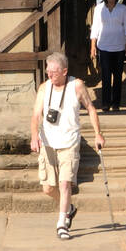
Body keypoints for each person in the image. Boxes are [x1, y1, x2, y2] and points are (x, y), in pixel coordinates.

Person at [31, 51, 103, 241]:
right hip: (48, 143)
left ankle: (62, 223)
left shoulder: (76, 85)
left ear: (64, 71)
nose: (50, 75)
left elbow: (90, 107)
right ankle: (69, 208)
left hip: (69, 142)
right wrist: (33, 136)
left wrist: (97, 134)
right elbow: (36, 115)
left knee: (64, 184)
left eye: (54, 72)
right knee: (47, 188)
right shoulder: (44, 88)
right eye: (48, 72)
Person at [90, 0, 126, 112]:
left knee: (118, 77)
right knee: (106, 76)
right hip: (104, 46)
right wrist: (93, 46)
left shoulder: (122, 8)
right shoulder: (99, 8)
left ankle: (116, 104)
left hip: (119, 46)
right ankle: (105, 104)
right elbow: (95, 27)